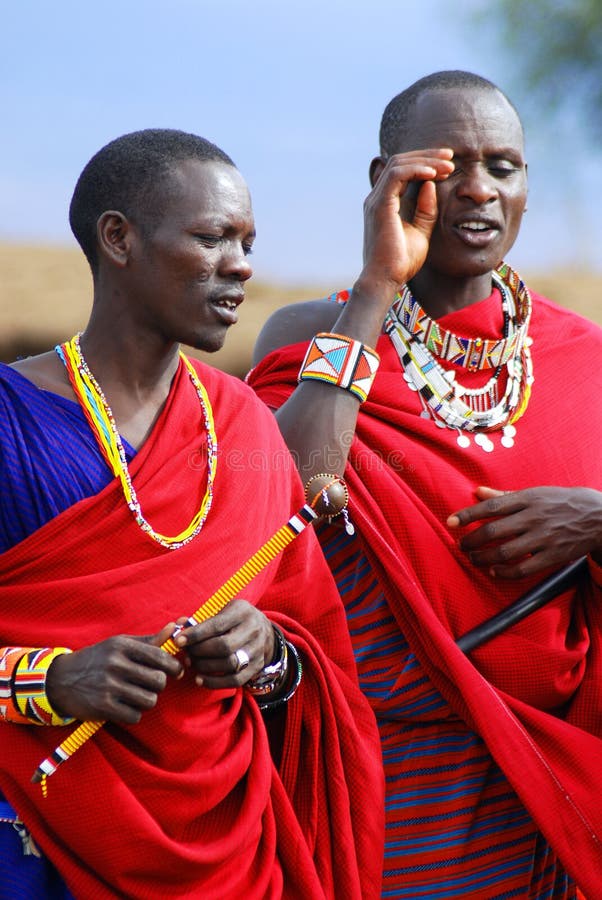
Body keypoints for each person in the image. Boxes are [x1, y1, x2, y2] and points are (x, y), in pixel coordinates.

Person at [0, 129, 385, 899]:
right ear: (119, 239)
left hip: (228, 842)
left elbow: (314, 646)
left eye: (247, 242)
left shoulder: (241, 425)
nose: (241, 265)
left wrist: (268, 654)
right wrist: (50, 681)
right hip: (30, 831)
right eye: (212, 238)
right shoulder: (10, 419)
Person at [248, 71, 602, 899]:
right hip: (379, 787)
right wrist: (376, 288)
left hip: (548, 793)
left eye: (504, 166)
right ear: (386, 185)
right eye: (447, 170)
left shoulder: (583, 357)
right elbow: (282, 502)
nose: (478, 190)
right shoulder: (318, 333)